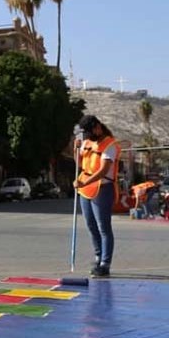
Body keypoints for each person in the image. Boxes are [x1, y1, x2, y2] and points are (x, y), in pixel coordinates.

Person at [75, 115, 121, 278]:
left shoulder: (110, 144)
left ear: (98, 127)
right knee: (91, 225)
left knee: (103, 227)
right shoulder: (87, 142)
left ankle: (105, 264)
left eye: (89, 132)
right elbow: (80, 164)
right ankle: (98, 256)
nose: (88, 136)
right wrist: (76, 149)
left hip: (102, 188)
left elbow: (102, 170)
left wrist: (85, 182)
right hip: (86, 188)